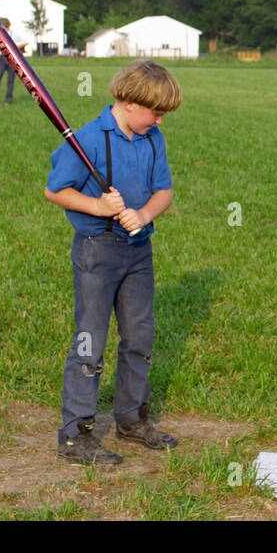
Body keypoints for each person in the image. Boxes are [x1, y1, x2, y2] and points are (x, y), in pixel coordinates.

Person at [44, 60, 182, 464]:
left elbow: (164, 191)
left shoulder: (152, 138)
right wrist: (99, 206)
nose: (159, 119)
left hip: (138, 249)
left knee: (139, 336)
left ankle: (131, 419)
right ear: (126, 101)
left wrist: (142, 215)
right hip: (96, 250)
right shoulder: (88, 138)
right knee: (90, 341)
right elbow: (55, 190)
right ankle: (75, 435)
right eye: (155, 111)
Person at [0, 17, 28, 104]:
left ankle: (8, 99)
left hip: (13, 59)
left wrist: (15, 47)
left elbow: (26, 41)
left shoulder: (15, 34)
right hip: (2, 59)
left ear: (7, 26)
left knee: (11, 80)